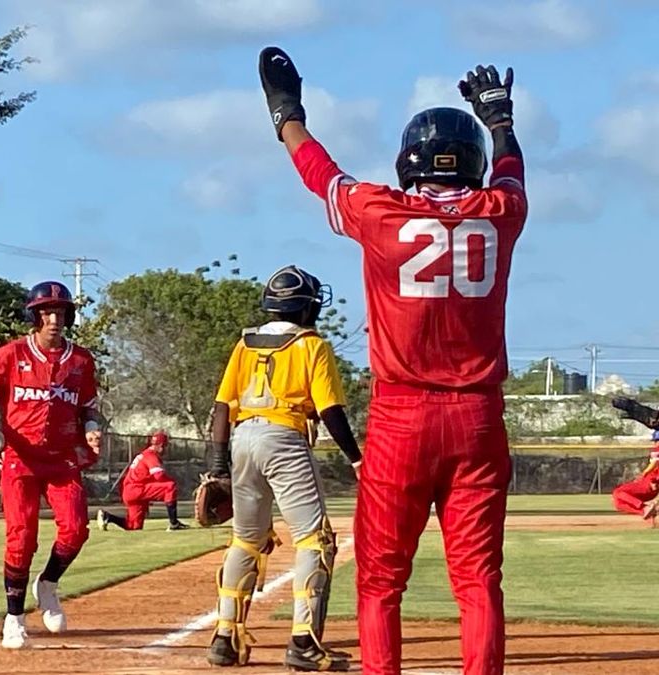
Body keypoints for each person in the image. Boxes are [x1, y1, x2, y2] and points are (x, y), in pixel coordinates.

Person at [259, 47, 528, 675]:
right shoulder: (501, 213)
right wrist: (502, 122)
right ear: (476, 163)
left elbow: (318, 171)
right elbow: (512, 176)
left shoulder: (381, 212)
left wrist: (286, 114)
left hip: (402, 418)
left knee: (381, 582)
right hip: (479, 418)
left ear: (408, 162)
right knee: (478, 581)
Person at [203, 265, 362, 671]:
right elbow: (330, 410)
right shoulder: (312, 346)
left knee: (247, 540)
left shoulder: (244, 344)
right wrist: (356, 458)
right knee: (314, 540)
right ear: (306, 308)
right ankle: (303, 643)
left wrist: (217, 464)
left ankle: (225, 637)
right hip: (284, 438)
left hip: (242, 441)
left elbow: (223, 406)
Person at [0, 281, 102, 650]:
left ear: (68, 316)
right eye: (46, 313)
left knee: (75, 530)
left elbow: (88, 405)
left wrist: (91, 429)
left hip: (61, 461)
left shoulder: (81, 361)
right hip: (20, 461)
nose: (53, 319)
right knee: (21, 539)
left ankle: (49, 584)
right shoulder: (11, 354)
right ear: (34, 316)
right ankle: (14, 617)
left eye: (59, 312)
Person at [96, 430, 189, 532]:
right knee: (170, 486)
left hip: (130, 491)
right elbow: (159, 476)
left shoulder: (145, 454)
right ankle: (174, 523)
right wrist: (172, 481)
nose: (166, 450)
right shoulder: (151, 455)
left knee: (134, 526)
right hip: (137, 489)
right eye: (166, 446)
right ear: (161, 445)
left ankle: (108, 517)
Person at [611, 430, 659, 523]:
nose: (655, 443)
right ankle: (644, 511)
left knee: (618, 492)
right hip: (648, 486)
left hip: (648, 485)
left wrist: (650, 477)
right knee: (618, 503)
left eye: (656, 440)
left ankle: (644, 507)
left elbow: (655, 462)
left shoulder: (657, 449)